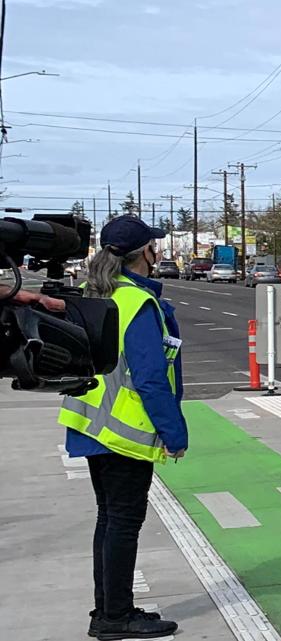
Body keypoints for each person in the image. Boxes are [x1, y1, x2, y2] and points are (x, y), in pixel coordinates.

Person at [57, 216, 187, 640]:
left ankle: (109, 610)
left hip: (91, 425)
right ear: (145, 253)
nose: (159, 252)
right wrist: (174, 433)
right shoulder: (137, 303)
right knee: (123, 522)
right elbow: (150, 378)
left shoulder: (92, 292)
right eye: (155, 246)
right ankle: (115, 617)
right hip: (124, 432)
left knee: (109, 520)